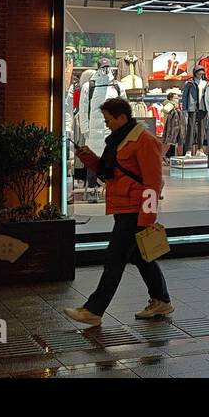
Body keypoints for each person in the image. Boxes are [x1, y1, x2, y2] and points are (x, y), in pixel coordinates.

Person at [64, 98, 172, 325]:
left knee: (114, 260)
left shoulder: (144, 141)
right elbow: (110, 172)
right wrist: (88, 157)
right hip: (123, 207)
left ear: (121, 117)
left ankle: (94, 310)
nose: (107, 124)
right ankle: (161, 300)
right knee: (141, 256)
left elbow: (153, 182)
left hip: (134, 211)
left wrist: (146, 218)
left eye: (108, 120)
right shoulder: (119, 141)